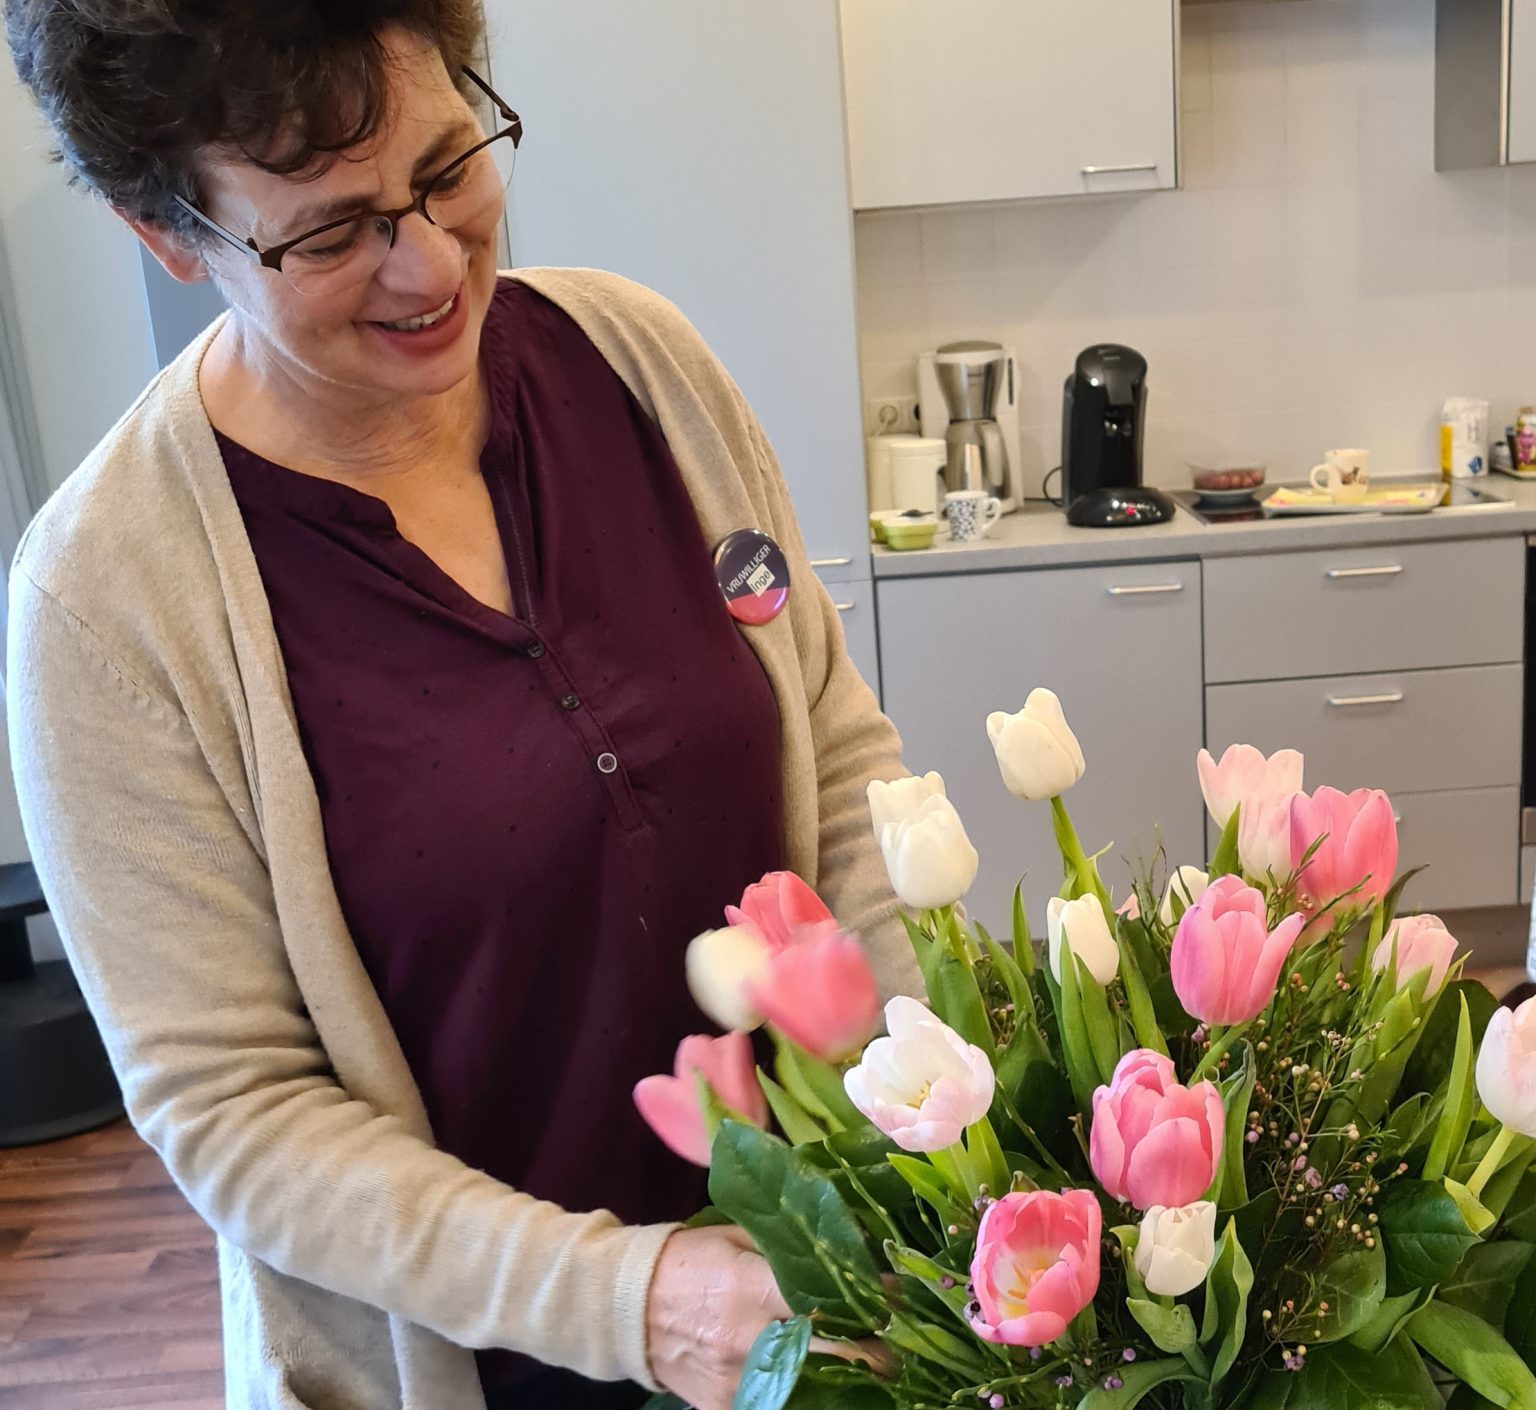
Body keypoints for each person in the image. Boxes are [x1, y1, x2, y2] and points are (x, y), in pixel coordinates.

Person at [2, 3, 918, 1407]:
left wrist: (924, 1114)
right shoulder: (106, 599)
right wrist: (639, 1302)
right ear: (169, 235)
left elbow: (836, 755)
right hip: (482, 1363)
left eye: (447, 167)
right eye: (325, 230)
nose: (428, 263)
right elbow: (237, 1113)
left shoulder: (642, 365)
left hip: (835, 1300)